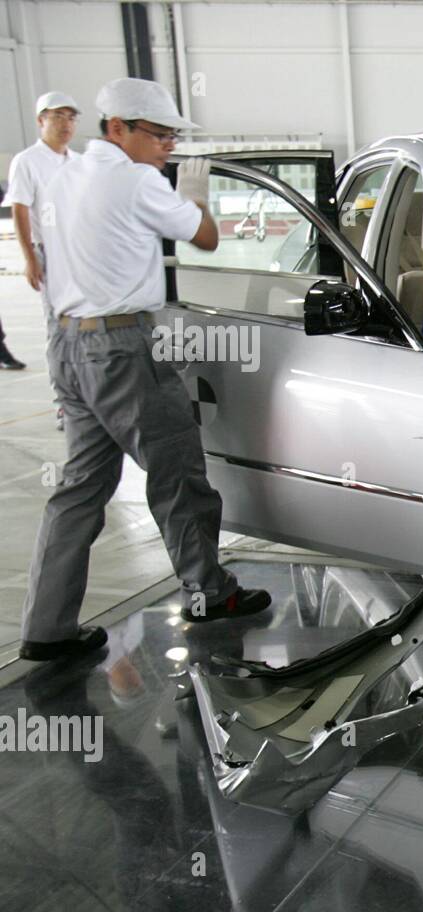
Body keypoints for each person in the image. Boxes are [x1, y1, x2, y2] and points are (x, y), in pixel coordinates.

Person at [19, 77, 270, 662]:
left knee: (80, 489)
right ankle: (209, 592)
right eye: (158, 135)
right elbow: (205, 237)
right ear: (116, 129)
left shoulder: (62, 175)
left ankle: (46, 627)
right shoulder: (131, 181)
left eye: (173, 135)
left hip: (68, 343)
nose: (167, 145)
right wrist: (196, 196)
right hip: (123, 347)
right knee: (177, 473)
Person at [6, 91, 83, 390]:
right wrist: (29, 258)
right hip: (50, 255)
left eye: (71, 117)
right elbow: (20, 209)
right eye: (57, 116)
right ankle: (63, 400)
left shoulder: (77, 162)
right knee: (59, 328)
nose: (66, 124)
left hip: (79, 254)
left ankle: (82, 394)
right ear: (41, 121)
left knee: (85, 328)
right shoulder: (27, 161)